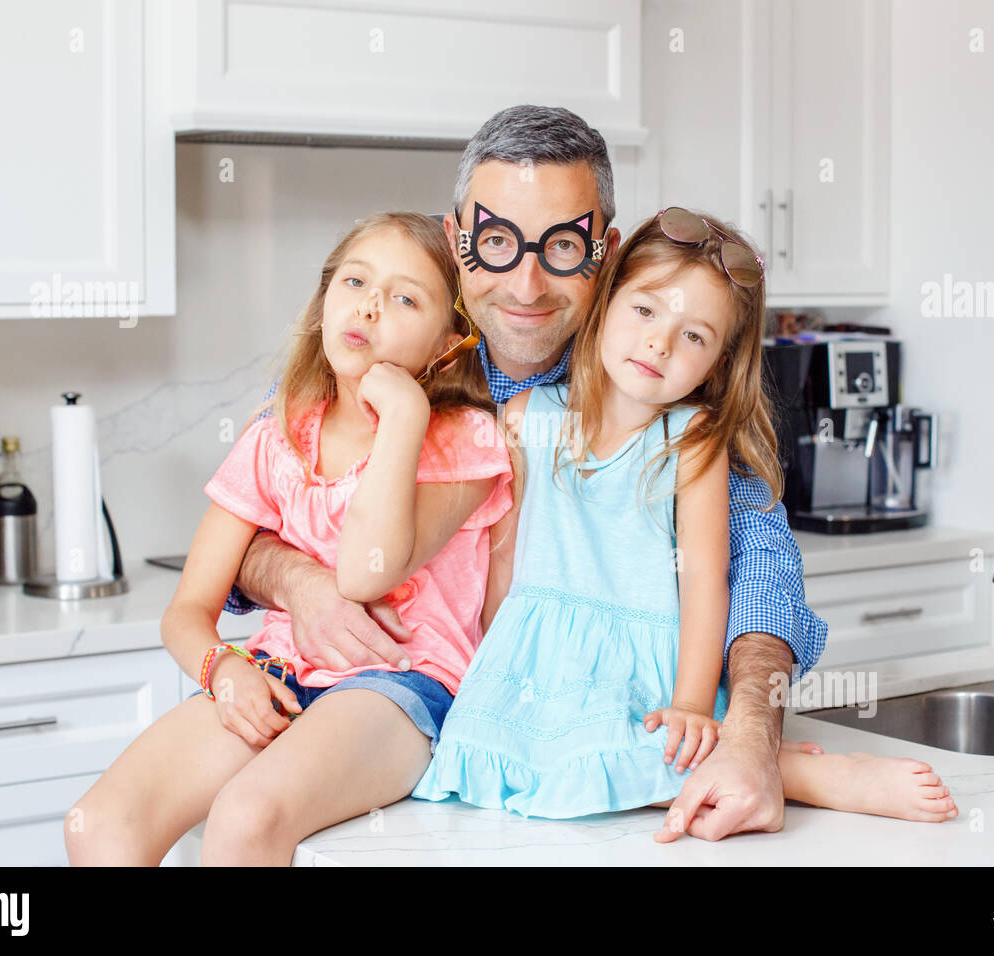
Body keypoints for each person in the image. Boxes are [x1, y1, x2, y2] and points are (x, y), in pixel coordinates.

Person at [224, 105, 828, 841]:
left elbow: (758, 559)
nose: (528, 282)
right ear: (458, 240)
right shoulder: (387, 343)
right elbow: (245, 522)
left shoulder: (642, 381)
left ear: (603, 251)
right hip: (359, 711)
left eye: (564, 247)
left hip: (554, 757)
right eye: (498, 241)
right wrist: (298, 580)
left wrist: (752, 737)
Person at [411, 208, 958, 824]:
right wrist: (488, 656)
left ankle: (813, 775)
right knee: (493, 759)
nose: (659, 343)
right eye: (644, 311)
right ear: (605, 303)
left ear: (718, 363)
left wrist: (694, 703)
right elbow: (502, 553)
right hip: (535, 643)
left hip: (642, 653)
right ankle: (778, 766)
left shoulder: (692, 438)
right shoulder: (528, 416)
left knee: (641, 750)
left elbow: (704, 581)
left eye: (694, 335)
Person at [64, 212, 517, 865]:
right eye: (355, 281)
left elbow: (367, 571)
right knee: (97, 822)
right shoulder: (275, 435)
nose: (369, 305)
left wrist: (403, 412)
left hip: (400, 687)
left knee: (246, 818)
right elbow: (189, 609)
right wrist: (224, 671)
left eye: (405, 298)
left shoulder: (461, 438)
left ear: (449, 340)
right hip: (278, 673)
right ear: (324, 301)